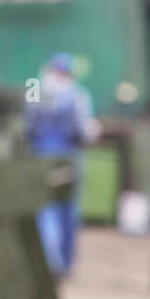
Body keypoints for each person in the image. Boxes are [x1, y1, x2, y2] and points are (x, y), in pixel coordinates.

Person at [26, 52, 101, 278]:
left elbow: (26, 126)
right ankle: (62, 266)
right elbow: (83, 131)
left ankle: (49, 263)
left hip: (40, 157)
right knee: (67, 212)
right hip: (68, 159)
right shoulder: (77, 97)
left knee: (46, 210)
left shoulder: (36, 94)